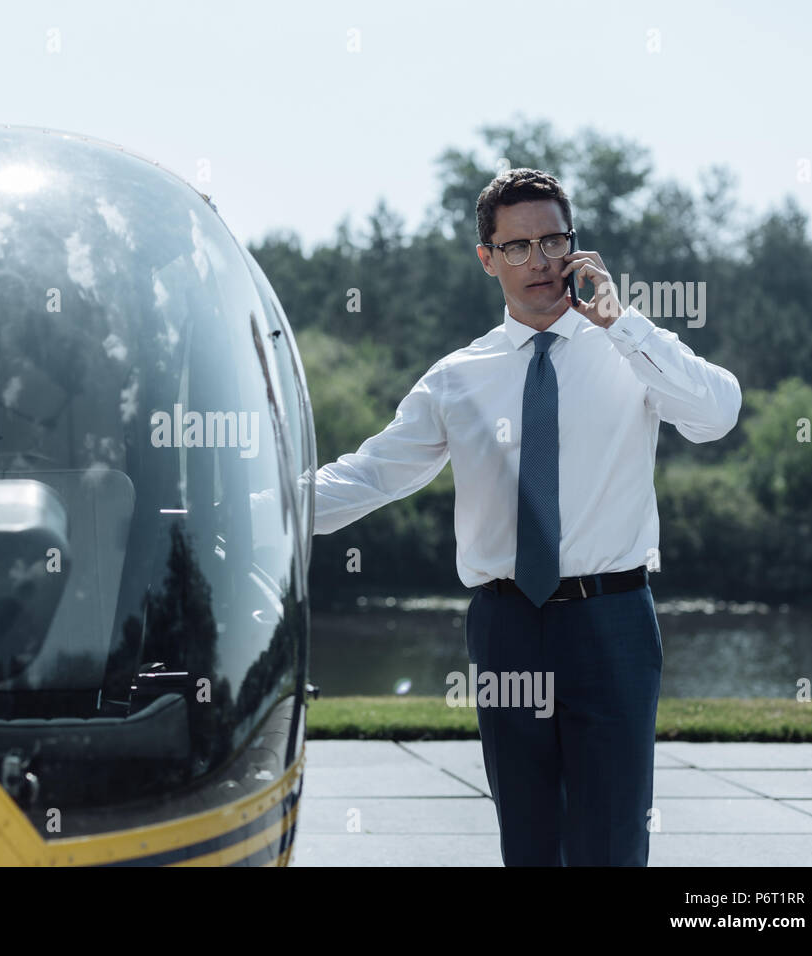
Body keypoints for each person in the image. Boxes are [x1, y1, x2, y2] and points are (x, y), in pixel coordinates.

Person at [294, 167, 741, 865]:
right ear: (488, 258)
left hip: (613, 623)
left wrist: (625, 323)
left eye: (553, 241)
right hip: (507, 627)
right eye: (518, 246)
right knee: (528, 842)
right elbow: (373, 473)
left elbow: (717, 415)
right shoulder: (457, 377)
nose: (539, 261)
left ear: (576, 247)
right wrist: (254, 511)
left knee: (613, 839)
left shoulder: (629, 351)